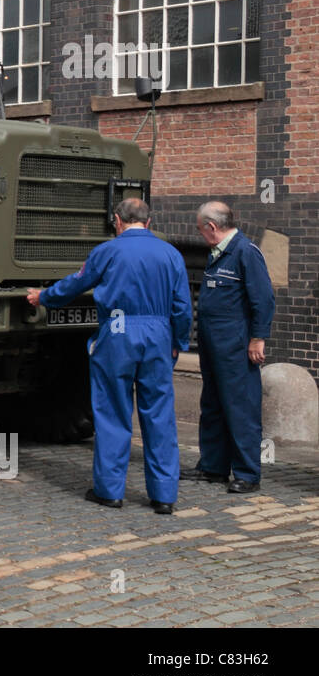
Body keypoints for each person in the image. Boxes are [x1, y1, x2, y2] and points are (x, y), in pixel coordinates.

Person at [27, 198, 192, 514]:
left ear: (117, 220)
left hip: (117, 330)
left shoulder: (107, 251)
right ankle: (164, 496)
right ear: (149, 220)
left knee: (113, 412)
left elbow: (76, 284)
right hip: (158, 333)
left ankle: (110, 490)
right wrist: (178, 340)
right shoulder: (171, 254)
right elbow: (183, 307)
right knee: (159, 414)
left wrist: (43, 297)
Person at [183, 201, 276, 493]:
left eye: (201, 230)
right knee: (212, 405)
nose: (200, 235)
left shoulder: (245, 253)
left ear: (212, 227)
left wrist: (258, 338)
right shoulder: (218, 253)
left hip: (236, 347)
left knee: (240, 408)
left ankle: (247, 474)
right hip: (213, 346)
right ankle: (213, 467)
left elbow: (263, 299)